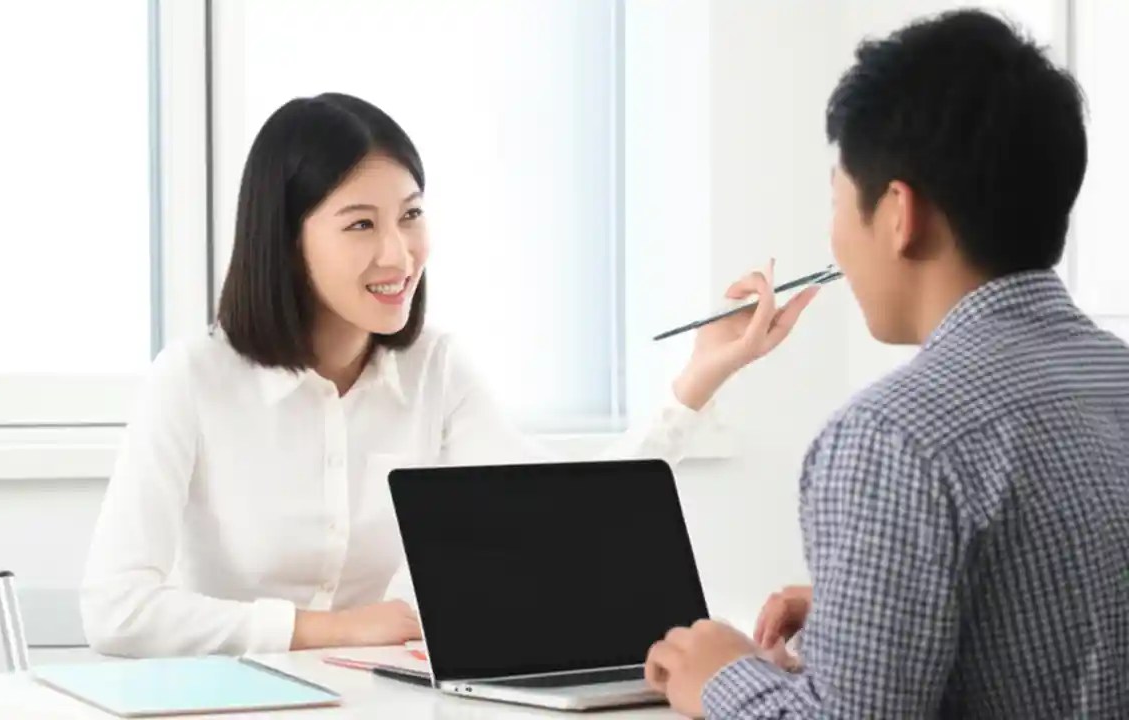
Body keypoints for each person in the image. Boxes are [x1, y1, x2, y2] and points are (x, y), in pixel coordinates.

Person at [80, 92, 818, 657]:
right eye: (361, 224)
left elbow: (562, 527)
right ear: (285, 239)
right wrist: (327, 628)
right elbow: (116, 608)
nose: (399, 254)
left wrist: (697, 381)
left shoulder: (436, 368)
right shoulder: (192, 379)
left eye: (411, 215)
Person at [644, 9, 1129, 718]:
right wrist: (870, 619)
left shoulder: (891, 438)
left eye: (837, 200)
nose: (835, 237)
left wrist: (723, 676)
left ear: (900, 214)